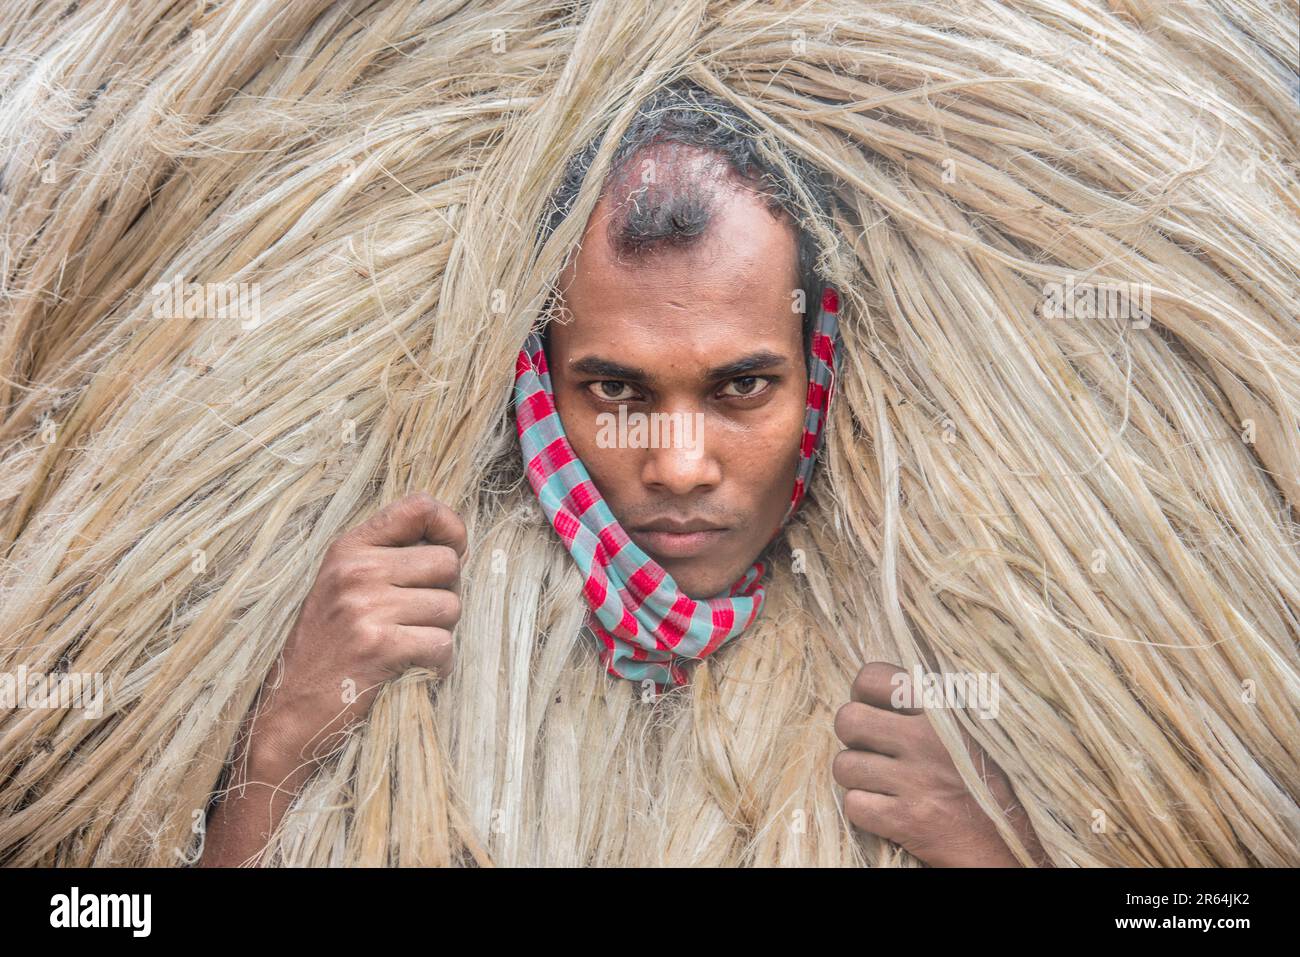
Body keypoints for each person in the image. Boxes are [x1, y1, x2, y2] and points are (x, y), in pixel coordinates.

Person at [201, 86, 1047, 867]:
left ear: (816, 376)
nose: (680, 464)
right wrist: (281, 732)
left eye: (741, 387)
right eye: (616, 390)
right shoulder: (426, 646)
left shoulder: (929, 662)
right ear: (540, 381)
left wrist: (995, 849)